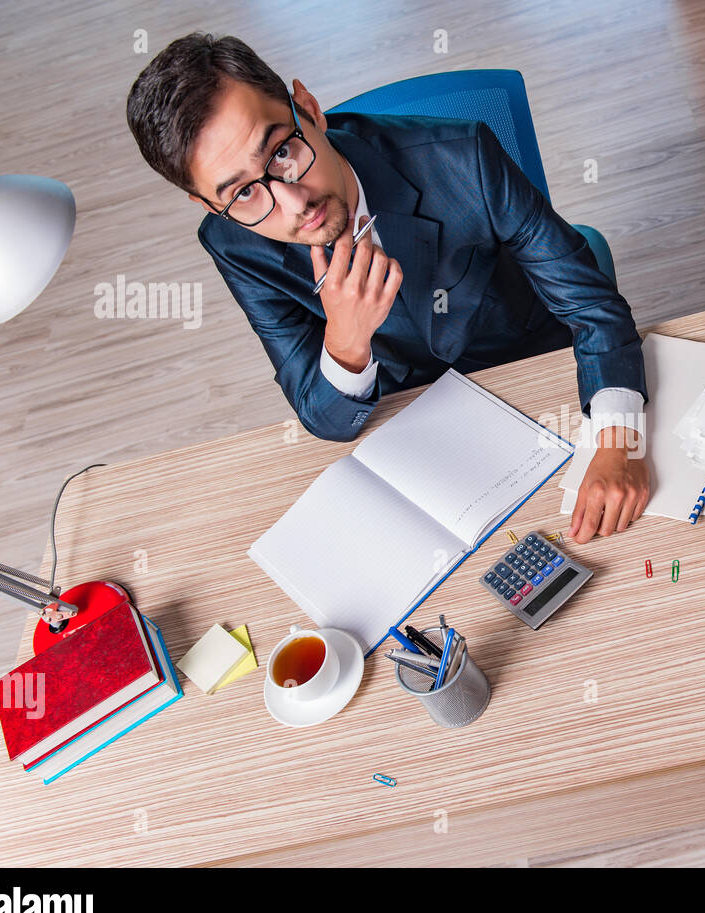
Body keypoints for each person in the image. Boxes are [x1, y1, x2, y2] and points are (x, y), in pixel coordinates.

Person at [126, 33, 649, 543]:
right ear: (207, 203)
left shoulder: (462, 155)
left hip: (533, 373)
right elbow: (322, 415)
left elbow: (591, 303)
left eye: (282, 152)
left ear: (307, 107)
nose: (293, 204)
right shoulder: (231, 240)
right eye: (242, 192)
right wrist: (345, 346)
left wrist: (619, 441)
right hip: (414, 426)